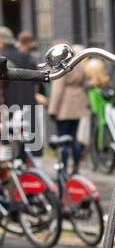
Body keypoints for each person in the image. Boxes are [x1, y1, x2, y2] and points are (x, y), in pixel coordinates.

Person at [0, 24, 47, 158]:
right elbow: (38, 79)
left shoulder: (2, 59)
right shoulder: (26, 57)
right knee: (31, 148)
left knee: (10, 152)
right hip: (29, 105)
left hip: (8, 108)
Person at [48, 51, 89, 172]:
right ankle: (76, 167)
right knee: (75, 139)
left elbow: (57, 90)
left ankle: (63, 167)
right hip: (78, 104)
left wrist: (52, 110)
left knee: (63, 140)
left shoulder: (62, 66)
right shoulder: (79, 65)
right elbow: (84, 84)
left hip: (64, 106)